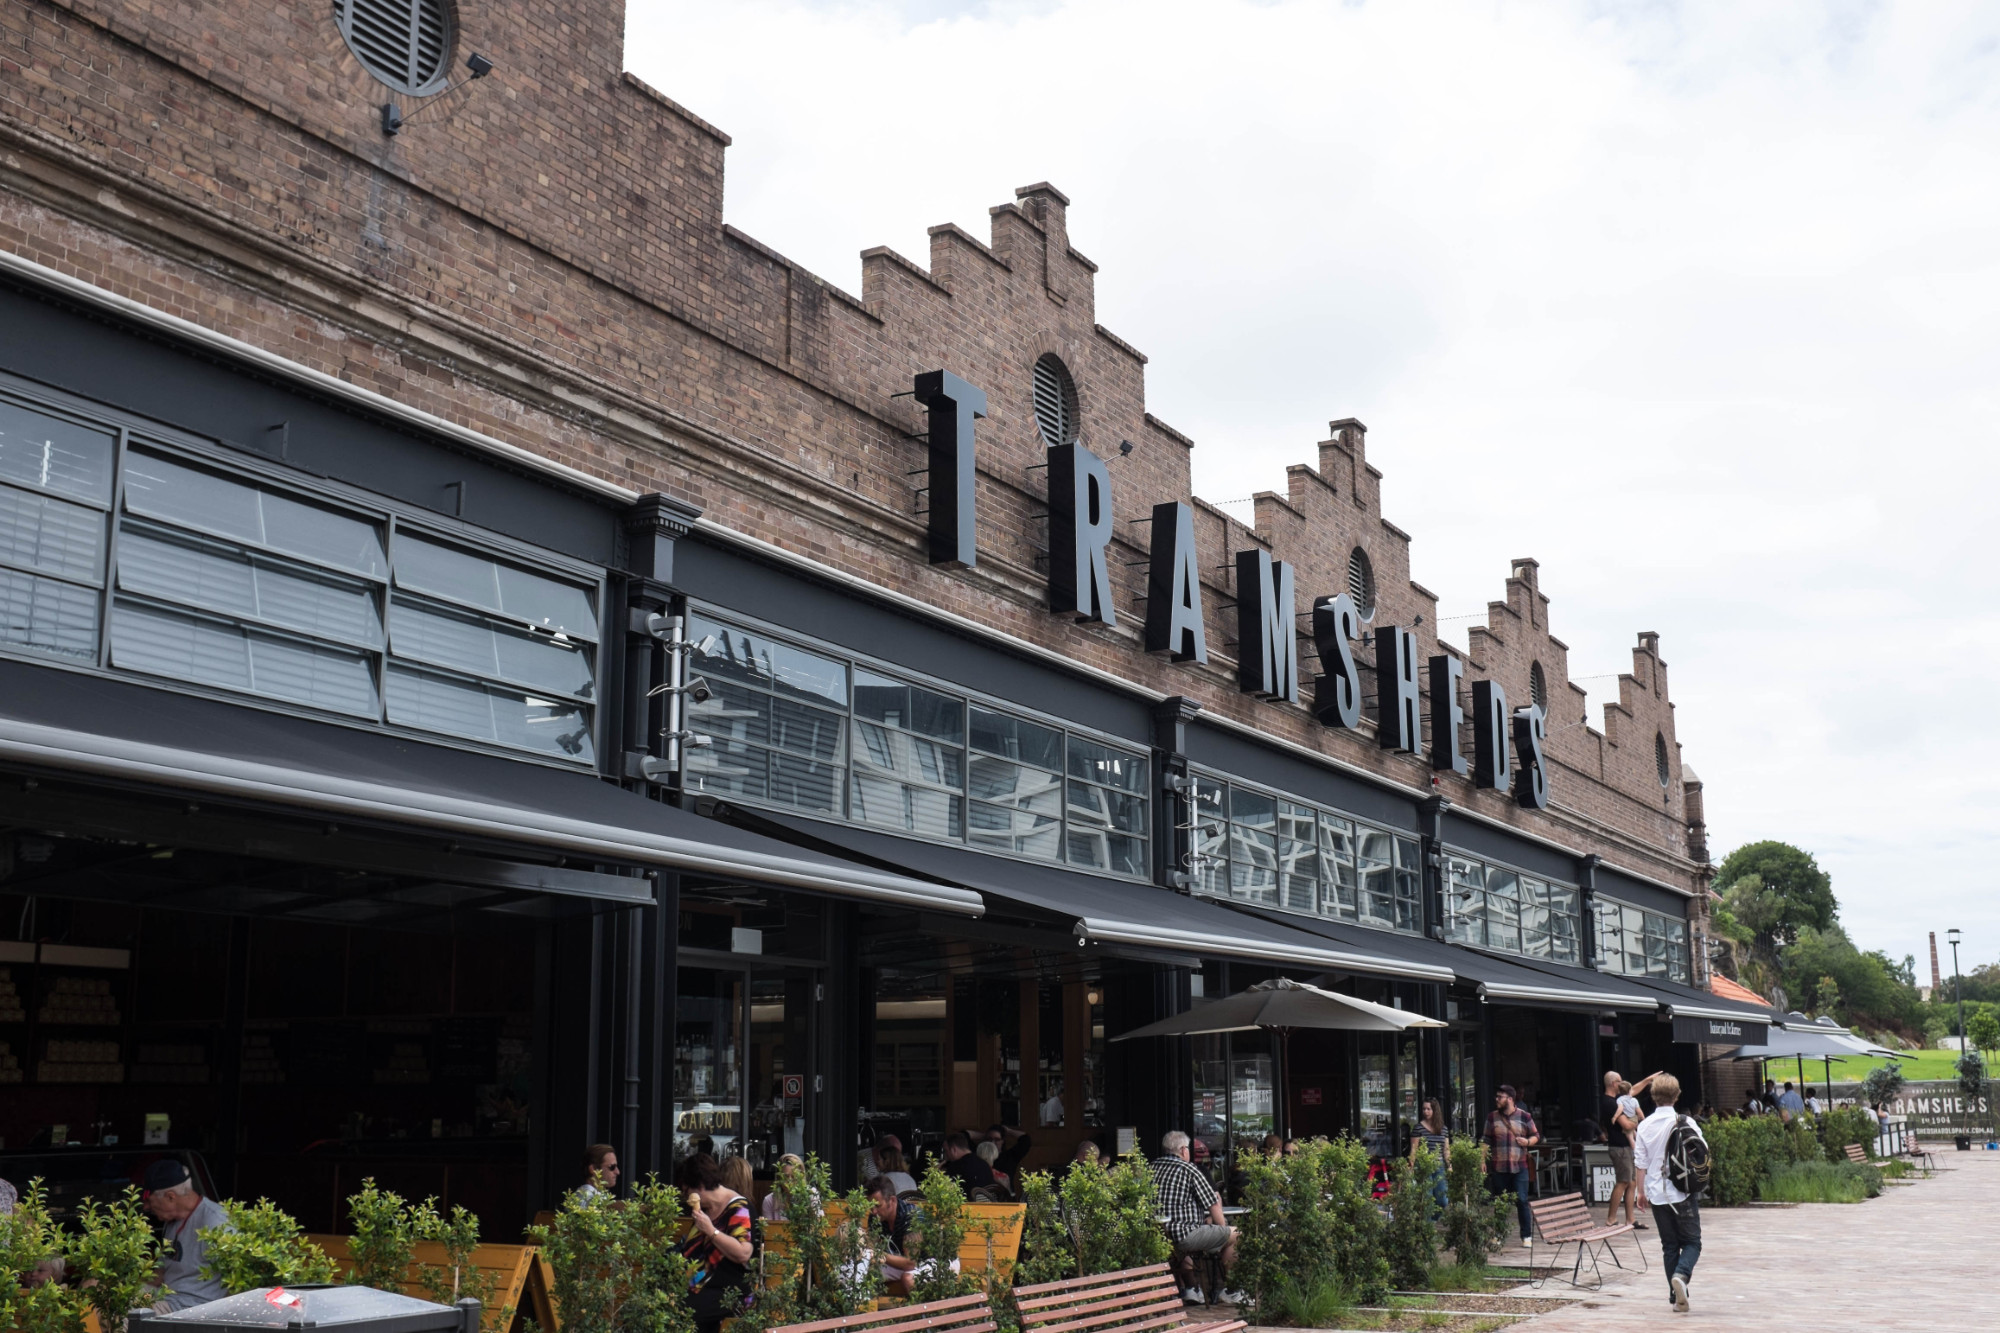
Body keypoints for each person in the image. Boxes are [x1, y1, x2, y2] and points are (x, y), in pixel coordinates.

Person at [1631, 1071, 1705, 1314]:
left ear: (1653, 1097)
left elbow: (1640, 1163)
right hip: (1682, 1191)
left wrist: (1640, 1193)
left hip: (1657, 1194)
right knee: (1692, 1242)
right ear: (1676, 1095)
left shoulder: (1644, 1126)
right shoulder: (1686, 1122)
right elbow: (1700, 1151)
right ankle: (1681, 1276)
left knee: (1669, 1245)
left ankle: (1676, 1297)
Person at [1152, 1130, 1236, 1300]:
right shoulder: (1189, 1169)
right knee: (1235, 1234)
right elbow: (1213, 1205)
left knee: (1182, 1246)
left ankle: (1191, 1289)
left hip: (1159, 1235)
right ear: (1183, 1150)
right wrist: (1223, 1231)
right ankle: (1231, 1291)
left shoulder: (1151, 1167)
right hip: (1186, 1235)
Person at [142, 1159, 231, 1312]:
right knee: (97, 1288)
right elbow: (159, 1273)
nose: (146, 1207)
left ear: (170, 1197)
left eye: (149, 1200)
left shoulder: (216, 1222)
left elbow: (235, 1283)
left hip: (190, 1308)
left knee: (123, 1319)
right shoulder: (172, 1221)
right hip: (165, 1296)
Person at [679, 1154, 754, 1333]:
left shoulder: (738, 1207)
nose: (686, 1197)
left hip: (729, 1291)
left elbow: (744, 1253)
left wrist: (711, 1230)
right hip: (698, 1287)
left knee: (682, 1310)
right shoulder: (704, 1210)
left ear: (700, 1186)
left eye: (687, 1191)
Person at [1482, 1085, 1540, 1243]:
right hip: (1499, 1166)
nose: (1496, 1099)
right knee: (1500, 1201)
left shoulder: (1524, 1116)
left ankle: (1526, 1236)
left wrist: (1527, 1141)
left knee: (1521, 1200)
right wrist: (1482, 1160)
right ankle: (1499, 1234)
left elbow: (1536, 1135)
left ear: (1509, 1099)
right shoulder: (1492, 1117)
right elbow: (1486, 1139)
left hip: (1519, 1166)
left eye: (1499, 1097)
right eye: (1497, 1096)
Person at [866, 1174, 924, 1296]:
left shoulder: (912, 1216)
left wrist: (880, 1255)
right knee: (866, 1273)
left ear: (892, 1200)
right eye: (871, 1206)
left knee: (908, 1278)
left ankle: (925, 1314)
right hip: (902, 1263)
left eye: (878, 1205)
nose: (873, 1211)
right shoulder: (876, 1217)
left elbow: (911, 1263)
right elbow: (871, 1250)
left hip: (934, 1261)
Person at [1411, 1098, 1450, 1213]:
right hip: (1423, 1166)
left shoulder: (1443, 1129)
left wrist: (1449, 1164)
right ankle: (1427, 1227)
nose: (1425, 1111)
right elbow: (1414, 1149)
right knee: (1426, 1199)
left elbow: (1446, 1149)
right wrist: (1412, 1166)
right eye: (1424, 1109)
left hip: (1439, 1166)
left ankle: (1432, 1220)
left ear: (1435, 1110)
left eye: (1428, 1109)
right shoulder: (1418, 1128)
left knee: (1442, 1200)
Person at [762, 1153, 809, 1221]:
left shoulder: (810, 1195)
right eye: (785, 1177)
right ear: (779, 1177)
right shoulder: (769, 1201)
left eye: (794, 1176)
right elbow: (769, 1229)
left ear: (801, 1177)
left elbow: (818, 1227)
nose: (789, 1181)